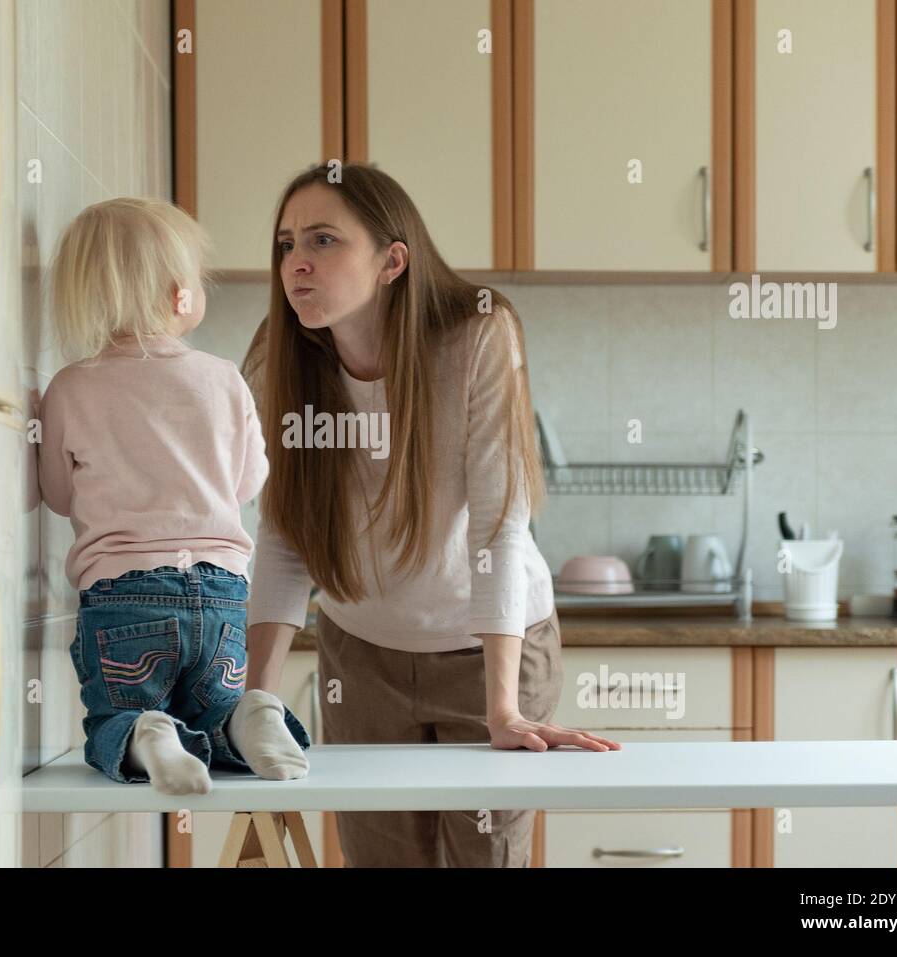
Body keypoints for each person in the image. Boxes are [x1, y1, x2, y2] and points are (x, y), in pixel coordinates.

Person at [242, 164, 621, 866]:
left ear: (393, 260)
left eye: (324, 240)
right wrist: (255, 701)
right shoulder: (279, 355)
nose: (297, 262)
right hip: (360, 656)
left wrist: (503, 709)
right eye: (287, 243)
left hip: (488, 653)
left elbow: (498, 526)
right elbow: (284, 533)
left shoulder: (477, 334)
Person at [36, 198, 310, 795]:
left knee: (117, 715)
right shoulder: (223, 377)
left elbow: (57, 495)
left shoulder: (70, 387)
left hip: (123, 595)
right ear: (180, 295)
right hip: (222, 589)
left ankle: (145, 733)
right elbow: (248, 483)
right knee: (214, 714)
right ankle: (250, 714)